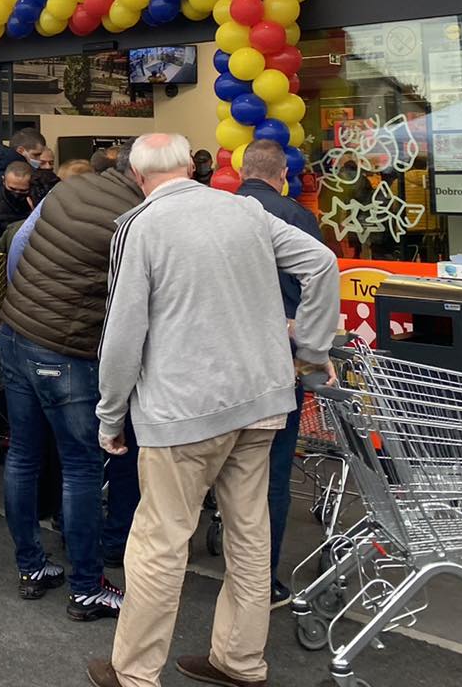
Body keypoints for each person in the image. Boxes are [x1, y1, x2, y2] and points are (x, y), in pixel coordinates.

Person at [88, 133, 339, 687]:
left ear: (137, 176)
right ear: (189, 166)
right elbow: (322, 264)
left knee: (159, 541)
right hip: (261, 401)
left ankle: (134, 672)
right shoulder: (245, 210)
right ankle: (240, 660)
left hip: (181, 412)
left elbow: (123, 334)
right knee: (250, 535)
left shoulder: (140, 227)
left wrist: (110, 415)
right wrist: (312, 352)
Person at [0, 144, 144, 615]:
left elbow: (20, 246)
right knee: (81, 465)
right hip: (64, 349)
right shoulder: (135, 217)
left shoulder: (68, 188)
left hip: (16, 331)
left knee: (23, 453)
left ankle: (31, 565)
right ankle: (86, 586)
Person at [235, 138, 327, 606]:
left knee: (226, 467)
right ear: (282, 175)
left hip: (226, 360)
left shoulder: (222, 211)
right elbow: (317, 280)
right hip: (278, 359)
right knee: (271, 472)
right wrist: (314, 347)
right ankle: (260, 580)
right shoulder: (294, 216)